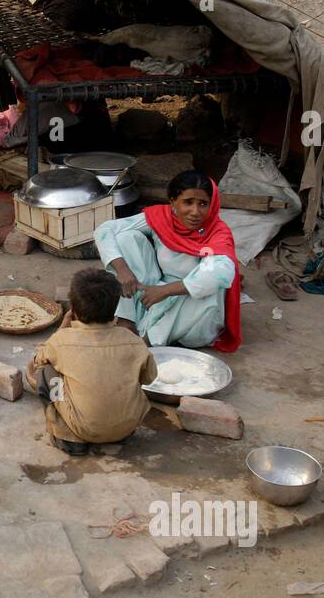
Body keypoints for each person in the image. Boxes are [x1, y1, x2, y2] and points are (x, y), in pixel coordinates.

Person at [94, 169, 241, 351]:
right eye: (188, 202)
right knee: (126, 238)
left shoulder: (216, 233)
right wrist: (123, 270)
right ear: (173, 202)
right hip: (154, 298)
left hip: (194, 316)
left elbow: (220, 273)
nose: (195, 212)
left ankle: (147, 342)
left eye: (203, 204)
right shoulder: (162, 219)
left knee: (208, 283)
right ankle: (127, 320)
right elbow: (105, 230)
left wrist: (166, 291)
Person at [24, 268, 159, 455]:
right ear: (115, 307)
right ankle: (116, 430)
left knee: (47, 372)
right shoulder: (134, 341)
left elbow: (38, 362)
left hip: (83, 426)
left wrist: (62, 328)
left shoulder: (61, 341)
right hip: (128, 428)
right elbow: (149, 377)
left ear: (73, 308)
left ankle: (66, 435)